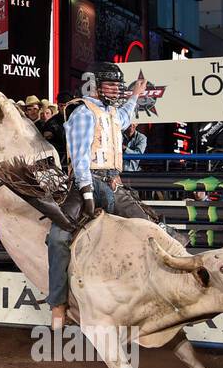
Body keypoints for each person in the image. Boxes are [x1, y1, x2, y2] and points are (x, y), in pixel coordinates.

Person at [45, 62, 152, 329]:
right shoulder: (83, 113)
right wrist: (86, 191)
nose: (117, 90)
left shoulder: (112, 114)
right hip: (87, 181)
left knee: (150, 227)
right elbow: (80, 158)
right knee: (57, 238)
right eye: (112, 85)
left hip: (112, 182)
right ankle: (58, 304)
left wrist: (137, 93)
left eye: (119, 86)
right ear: (96, 86)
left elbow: (125, 115)